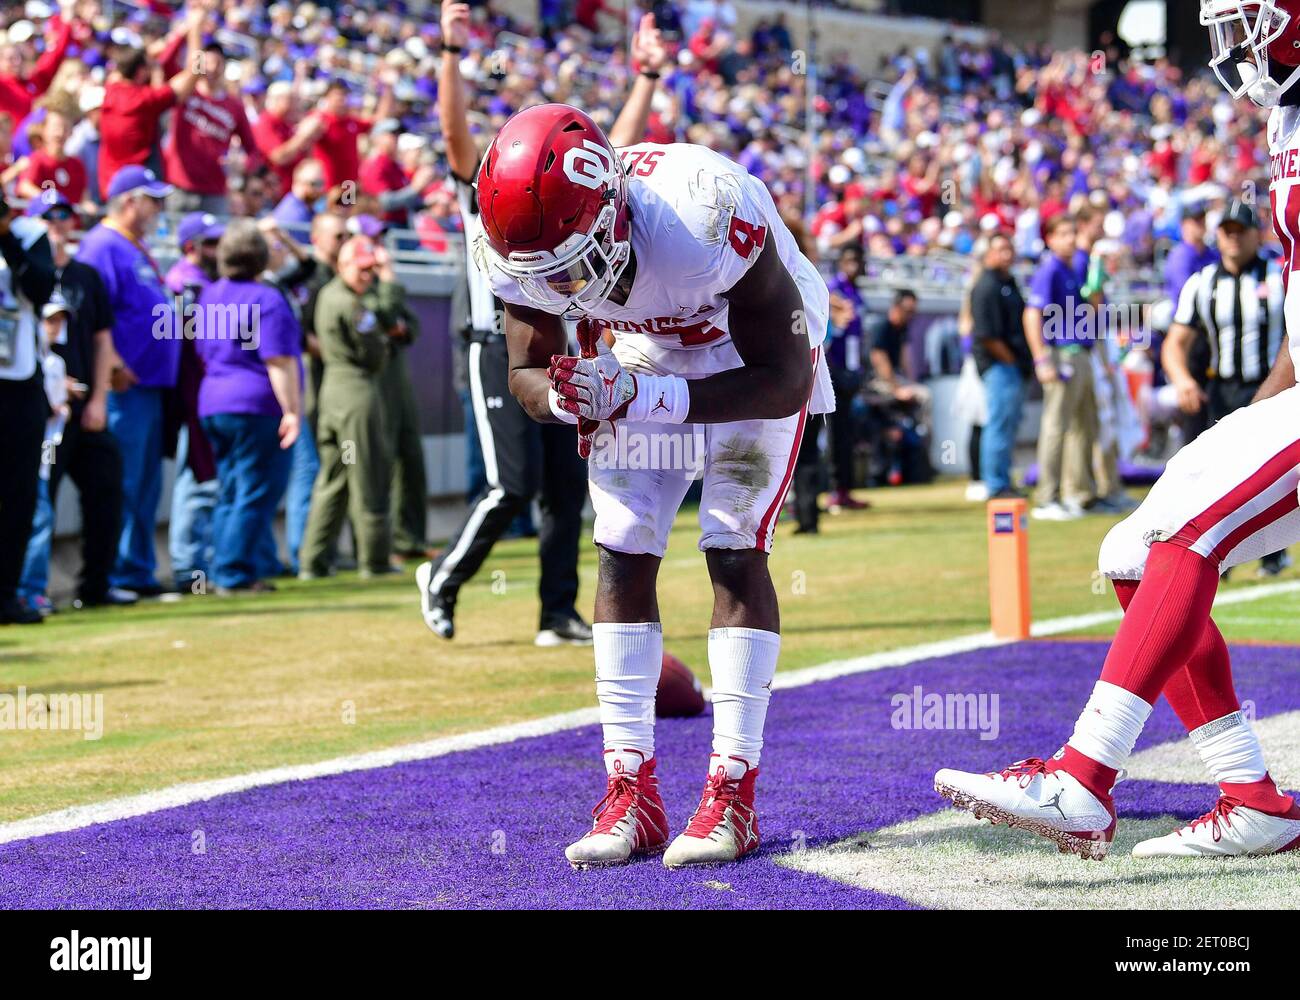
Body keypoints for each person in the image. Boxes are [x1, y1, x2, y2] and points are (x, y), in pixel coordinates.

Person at [934, 0, 1300, 862]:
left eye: (1245, 24)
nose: (1233, 49)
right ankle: (1251, 797)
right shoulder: (1287, 114)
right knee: (1133, 550)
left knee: (1185, 532)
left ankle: (1084, 774)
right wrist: (1263, 408)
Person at [473, 103, 835, 869]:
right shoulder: (517, 236)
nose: (560, 283)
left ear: (610, 209)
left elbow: (783, 378)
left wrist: (654, 399)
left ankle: (732, 792)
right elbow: (525, 372)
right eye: (540, 269)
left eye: (569, 258)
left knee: (733, 546)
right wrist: (569, 394)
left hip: (751, 352)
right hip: (642, 348)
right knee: (621, 547)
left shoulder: (703, 208)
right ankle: (630, 792)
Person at [417, 4, 667, 647]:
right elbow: (452, 137)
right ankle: (443, 578)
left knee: (564, 487)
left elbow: (609, 157)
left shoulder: (561, 191)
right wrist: (450, 52)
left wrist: (645, 76)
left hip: (560, 344)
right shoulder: (491, 190)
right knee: (511, 485)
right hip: (495, 343)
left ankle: (556, 612)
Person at [1163, 199, 1288, 577]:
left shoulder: (1276, 275)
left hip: (1271, 386)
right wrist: (1183, 379)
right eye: (1226, 231)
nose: (1233, 238)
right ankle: (1217, 557)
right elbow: (1175, 341)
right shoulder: (1202, 283)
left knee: (1270, 477)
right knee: (1217, 476)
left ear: (1255, 234)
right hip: (1221, 388)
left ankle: (1273, 553)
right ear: (1217, 236)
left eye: (1240, 231)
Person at [76, 164, 177, 595]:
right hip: (123, 387)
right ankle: (115, 571)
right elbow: (95, 317)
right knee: (124, 481)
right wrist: (113, 366)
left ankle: (136, 570)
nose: (158, 209)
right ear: (129, 201)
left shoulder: (133, 246)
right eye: (152, 200)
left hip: (149, 385)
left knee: (146, 482)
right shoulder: (101, 246)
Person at [26, 195, 131, 609]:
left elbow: (103, 340)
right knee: (36, 500)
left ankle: (95, 586)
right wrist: (50, 384)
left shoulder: (86, 276)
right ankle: (28, 590)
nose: (57, 222)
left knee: (107, 486)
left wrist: (99, 398)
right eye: (47, 216)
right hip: (43, 410)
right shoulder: (19, 272)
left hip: (85, 406)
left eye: (64, 214)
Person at [195, 220, 302, 593]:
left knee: (229, 489)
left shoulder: (208, 294)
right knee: (255, 489)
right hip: (254, 404)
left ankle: (225, 566)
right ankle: (234, 572)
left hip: (213, 402)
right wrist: (291, 411)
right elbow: (279, 362)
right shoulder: (267, 298)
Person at [298, 236, 401, 579]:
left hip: (330, 393)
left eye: (371, 270)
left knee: (334, 479)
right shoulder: (353, 306)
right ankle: (375, 560)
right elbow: (373, 352)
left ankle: (313, 561)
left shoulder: (328, 295)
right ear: (343, 266)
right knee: (368, 477)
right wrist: (384, 346)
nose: (368, 276)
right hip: (356, 394)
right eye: (362, 269)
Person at [0, 195, 57, 625]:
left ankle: (6, 595)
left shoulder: (29, 236)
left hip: (17, 383)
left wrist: (7, 240)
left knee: (18, 494)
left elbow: (39, 289)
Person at [164, 211, 223, 592]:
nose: (219, 250)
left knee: (204, 480)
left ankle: (199, 565)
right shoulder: (184, 283)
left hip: (203, 395)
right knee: (195, 480)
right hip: (189, 396)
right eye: (211, 243)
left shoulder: (204, 283)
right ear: (192, 247)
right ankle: (188, 570)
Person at [1025, 214, 1097, 521]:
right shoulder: (1049, 269)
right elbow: (1032, 315)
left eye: (1072, 232)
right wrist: (1041, 359)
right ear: (1051, 239)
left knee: (1084, 426)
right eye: (1063, 233)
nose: (1070, 238)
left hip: (1079, 352)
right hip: (1060, 354)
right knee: (1056, 426)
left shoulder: (1073, 267)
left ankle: (1076, 494)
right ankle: (1046, 497)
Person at [97, 6, 205, 200]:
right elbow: (196, 71)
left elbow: (141, 57)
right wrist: (196, 29)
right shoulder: (144, 100)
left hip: (110, 184)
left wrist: (181, 32)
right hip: (137, 191)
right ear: (140, 73)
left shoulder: (110, 88)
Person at [162, 41, 260, 216]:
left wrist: (243, 166)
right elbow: (165, 63)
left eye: (218, 64)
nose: (213, 69)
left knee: (213, 241)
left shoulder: (234, 106)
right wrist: (190, 31)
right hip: (179, 185)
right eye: (208, 63)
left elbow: (253, 150)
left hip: (214, 191)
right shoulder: (187, 93)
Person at [970, 232, 1030, 498]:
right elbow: (987, 335)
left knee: (1007, 425)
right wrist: (1011, 361)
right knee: (998, 425)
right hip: (999, 367)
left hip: (1010, 365)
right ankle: (995, 484)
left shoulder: (1008, 282)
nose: (1007, 254)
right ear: (989, 254)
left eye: (1009, 248)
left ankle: (1003, 479)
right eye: (1000, 249)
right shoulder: (986, 286)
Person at [824, 245, 868, 512]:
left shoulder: (855, 291)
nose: (853, 265)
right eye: (848, 260)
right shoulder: (834, 289)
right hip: (834, 368)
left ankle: (845, 488)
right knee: (834, 433)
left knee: (847, 432)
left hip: (851, 368)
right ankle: (833, 488)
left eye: (857, 260)